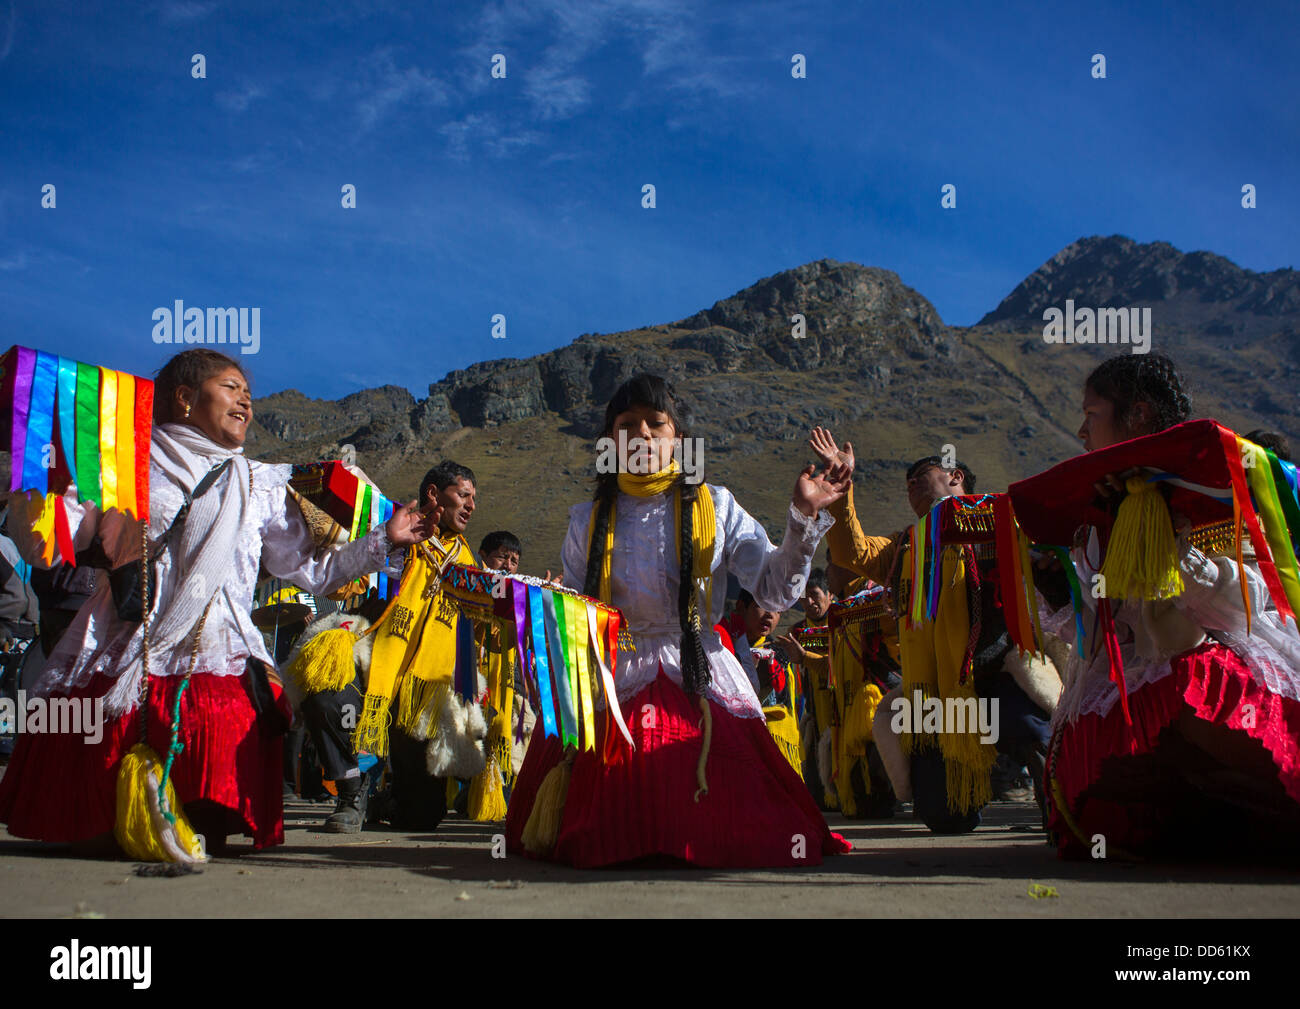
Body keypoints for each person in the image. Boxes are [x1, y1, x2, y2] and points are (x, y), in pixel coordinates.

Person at [0, 348, 437, 854]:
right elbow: (49, 542)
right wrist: (37, 476)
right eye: (231, 388)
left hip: (218, 643)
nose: (246, 403)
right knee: (94, 814)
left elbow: (315, 573)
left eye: (248, 395)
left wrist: (383, 538)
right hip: (127, 641)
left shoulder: (261, 483)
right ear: (185, 398)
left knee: (216, 777)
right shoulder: (123, 460)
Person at [505, 374, 853, 867]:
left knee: (735, 820)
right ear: (610, 442)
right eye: (627, 425)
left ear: (680, 440)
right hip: (613, 674)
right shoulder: (586, 519)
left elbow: (775, 590)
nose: (642, 435)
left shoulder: (718, 504)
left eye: (656, 423)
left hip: (698, 674)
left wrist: (802, 517)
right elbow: (577, 610)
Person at [1038, 353, 1300, 858]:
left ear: (1136, 416)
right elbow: (1102, 643)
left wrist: (1171, 545)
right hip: (1140, 682)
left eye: (1092, 416)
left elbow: (1244, 608)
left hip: (1221, 660)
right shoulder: (1097, 517)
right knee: (1090, 785)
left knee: (1188, 685)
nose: (1080, 430)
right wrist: (1062, 591)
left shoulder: (1217, 489)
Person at [809, 427, 1059, 833]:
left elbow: (1046, 565)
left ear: (955, 476)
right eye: (907, 484)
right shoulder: (904, 547)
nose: (911, 486)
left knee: (1034, 732)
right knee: (945, 816)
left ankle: (1058, 802)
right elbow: (851, 552)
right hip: (936, 692)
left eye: (920, 475)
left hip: (995, 669)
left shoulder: (1004, 520)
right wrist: (841, 487)